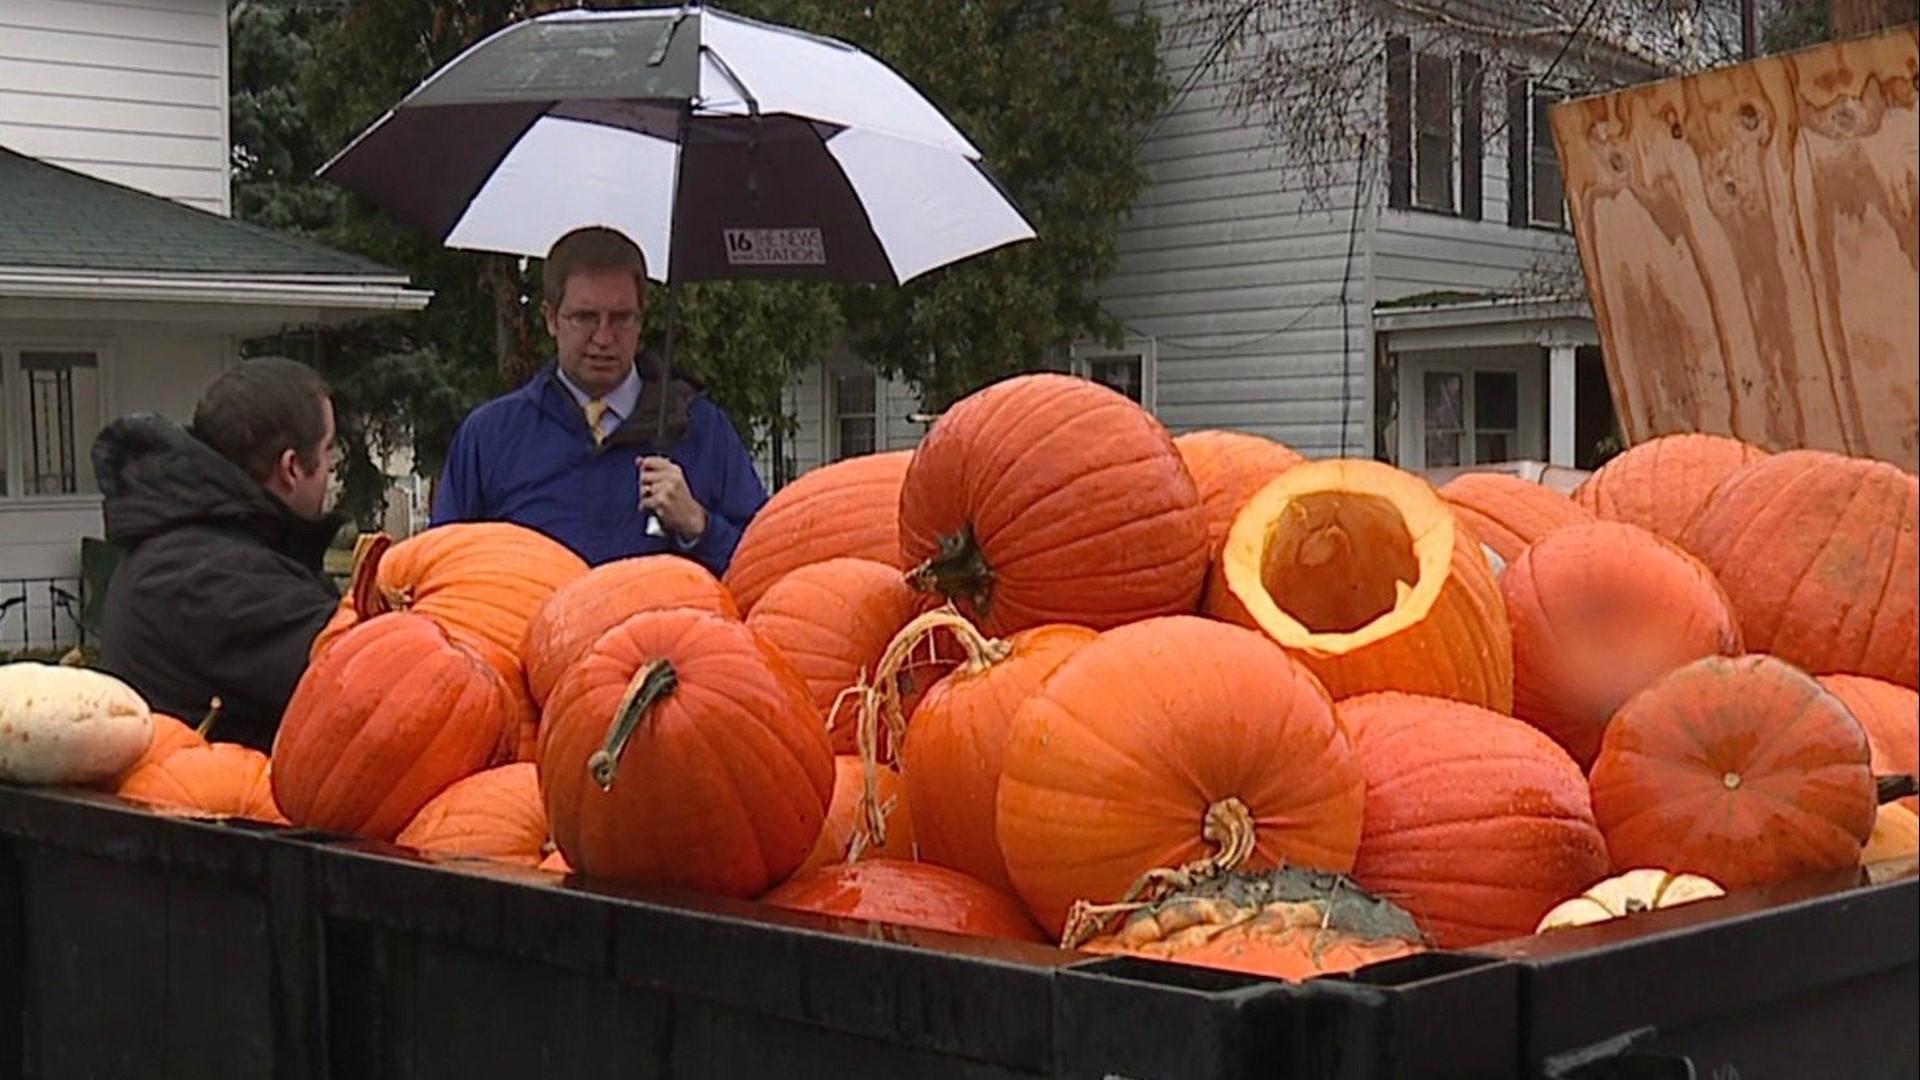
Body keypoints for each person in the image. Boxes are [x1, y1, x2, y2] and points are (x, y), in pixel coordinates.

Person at [430, 226, 767, 574]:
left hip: (664, 627)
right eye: (585, 318)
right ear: (550, 318)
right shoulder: (491, 437)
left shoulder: (702, 432)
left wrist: (699, 526)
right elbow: (442, 572)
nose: (604, 337)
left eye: (621, 318)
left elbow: (764, 566)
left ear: (641, 319)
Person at [91, 358, 345, 752]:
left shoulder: (203, 545)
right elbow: (363, 678)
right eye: (328, 451)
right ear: (291, 468)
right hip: (215, 806)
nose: (331, 468)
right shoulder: (214, 577)